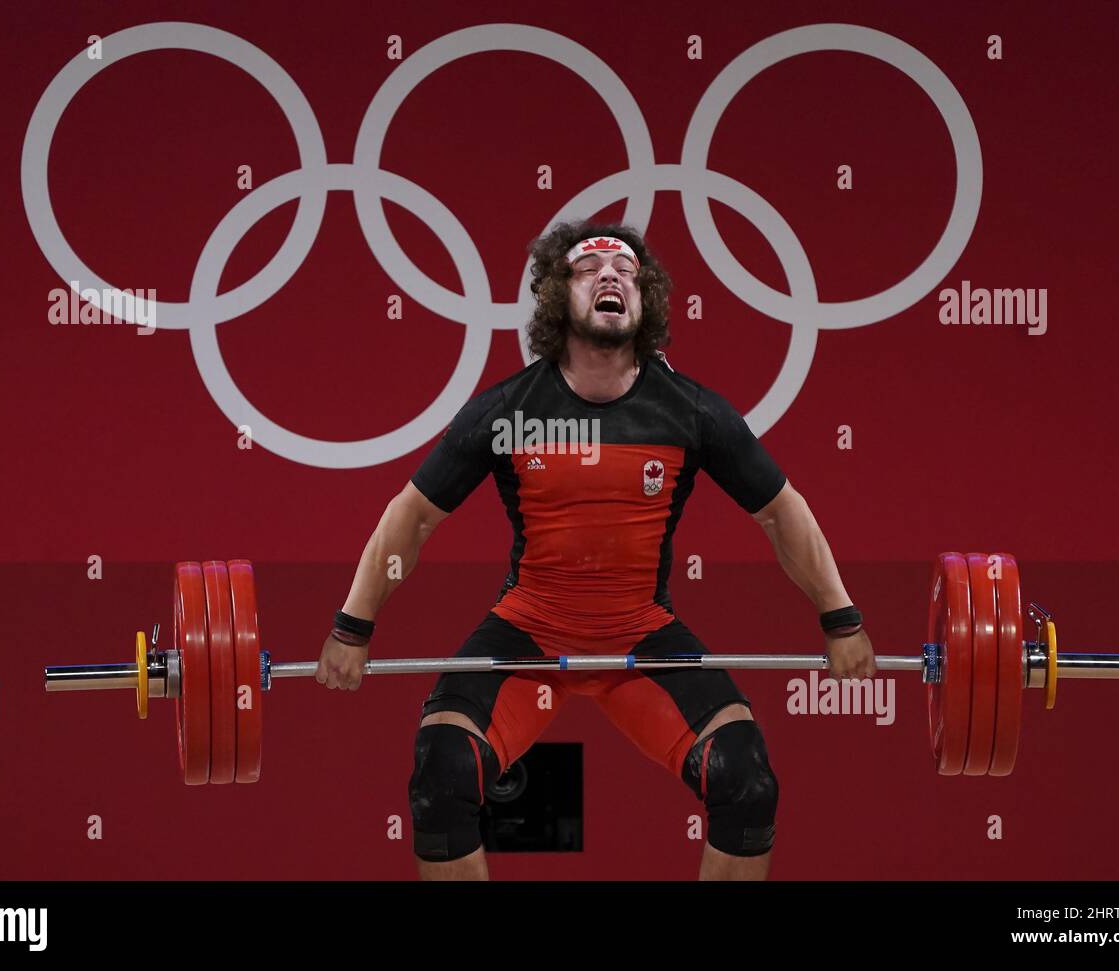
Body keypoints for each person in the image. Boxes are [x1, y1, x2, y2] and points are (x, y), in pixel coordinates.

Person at [316, 221, 875, 880]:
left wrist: (841, 617)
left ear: (645, 302)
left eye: (629, 273)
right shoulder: (507, 412)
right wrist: (353, 625)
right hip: (527, 635)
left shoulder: (691, 412)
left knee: (745, 779)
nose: (613, 277)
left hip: (641, 640)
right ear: (558, 295)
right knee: (442, 773)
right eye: (591, 268)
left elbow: (783, 515)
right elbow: (410, 519)